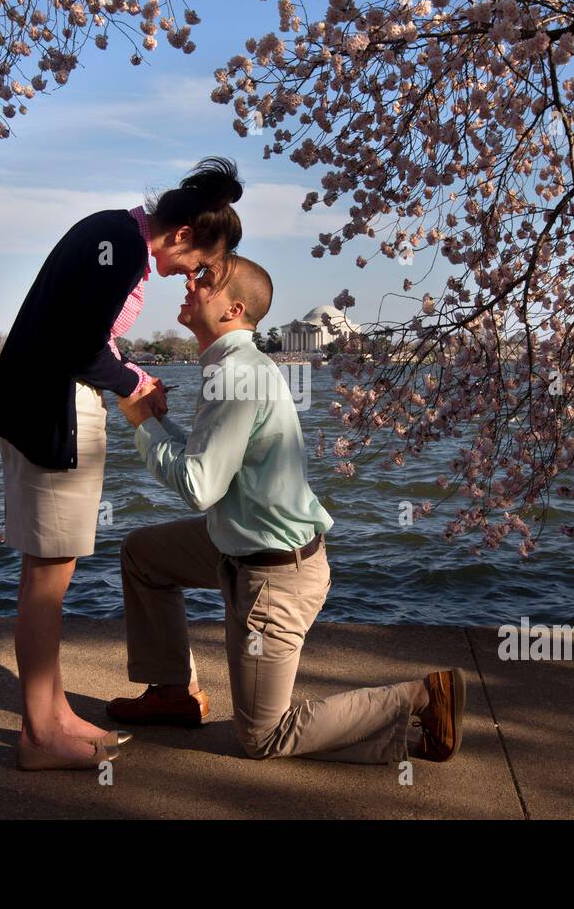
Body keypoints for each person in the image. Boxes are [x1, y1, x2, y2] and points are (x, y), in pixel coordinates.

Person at [108, 254, 466, 764]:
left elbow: (201, 485)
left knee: (262, 737)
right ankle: (171, 692)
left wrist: (141, 424)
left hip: (274, 575)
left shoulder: (236, 376)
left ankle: (422, 697)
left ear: (233, 309)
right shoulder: (236, 367)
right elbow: (217, 462)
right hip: (242, 541)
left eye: (204, 278)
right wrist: (158, 424)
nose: (189, 280)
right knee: (144, 555)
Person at [0, 158, 244, 770]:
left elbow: (79, 333)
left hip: (41, 405)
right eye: (200, 262)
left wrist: (126, 378)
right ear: (180, 235)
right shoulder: (121, 245)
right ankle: (40, 735)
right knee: (49, 578)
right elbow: (79, 345)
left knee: (49, 572)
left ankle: (51, 713)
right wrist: (137, 383)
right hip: (52, 413)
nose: (195, 275)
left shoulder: (114, 233)